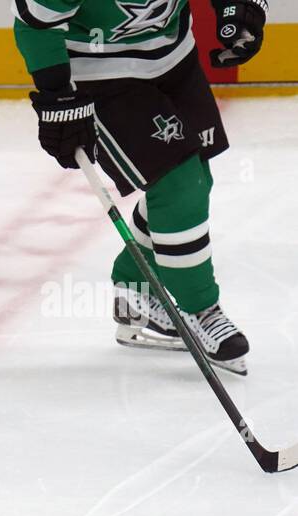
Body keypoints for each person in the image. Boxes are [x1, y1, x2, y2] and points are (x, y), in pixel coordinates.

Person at [16, 0, 265, 374]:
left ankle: (135, 290)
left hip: (174, 58)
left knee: (193, 181)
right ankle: (200, 310)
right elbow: (34, 23)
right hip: (102, 76)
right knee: (180, 186)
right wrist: (57, 96)